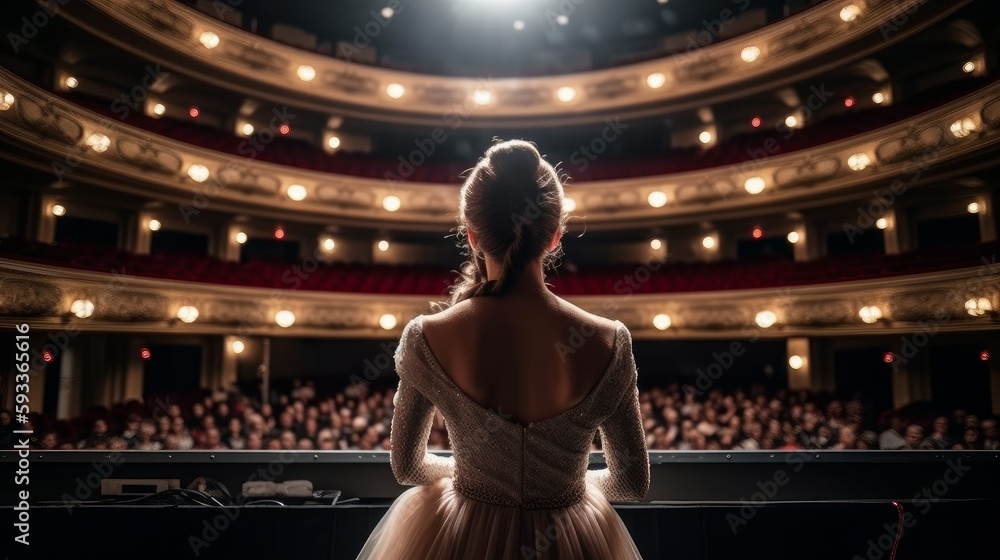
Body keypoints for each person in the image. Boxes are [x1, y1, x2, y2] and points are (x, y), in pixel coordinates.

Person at [356, 140, 649, 559]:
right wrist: (561, 483)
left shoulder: (427, 336)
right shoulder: (609, 340)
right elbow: (630, 482)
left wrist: (482, 478)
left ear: (472, 235)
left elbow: (407, 467)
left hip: (461, 539)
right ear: (554, 237)